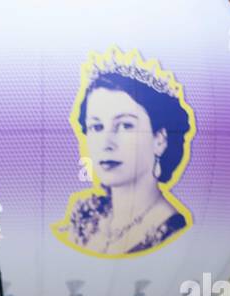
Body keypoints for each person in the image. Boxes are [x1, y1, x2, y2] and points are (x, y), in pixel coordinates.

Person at [52, 54, 194, 256]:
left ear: (159, 139)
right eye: (97, 127)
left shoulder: (169, 228)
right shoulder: (87, 216)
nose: (106, 143)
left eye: (126, 126)